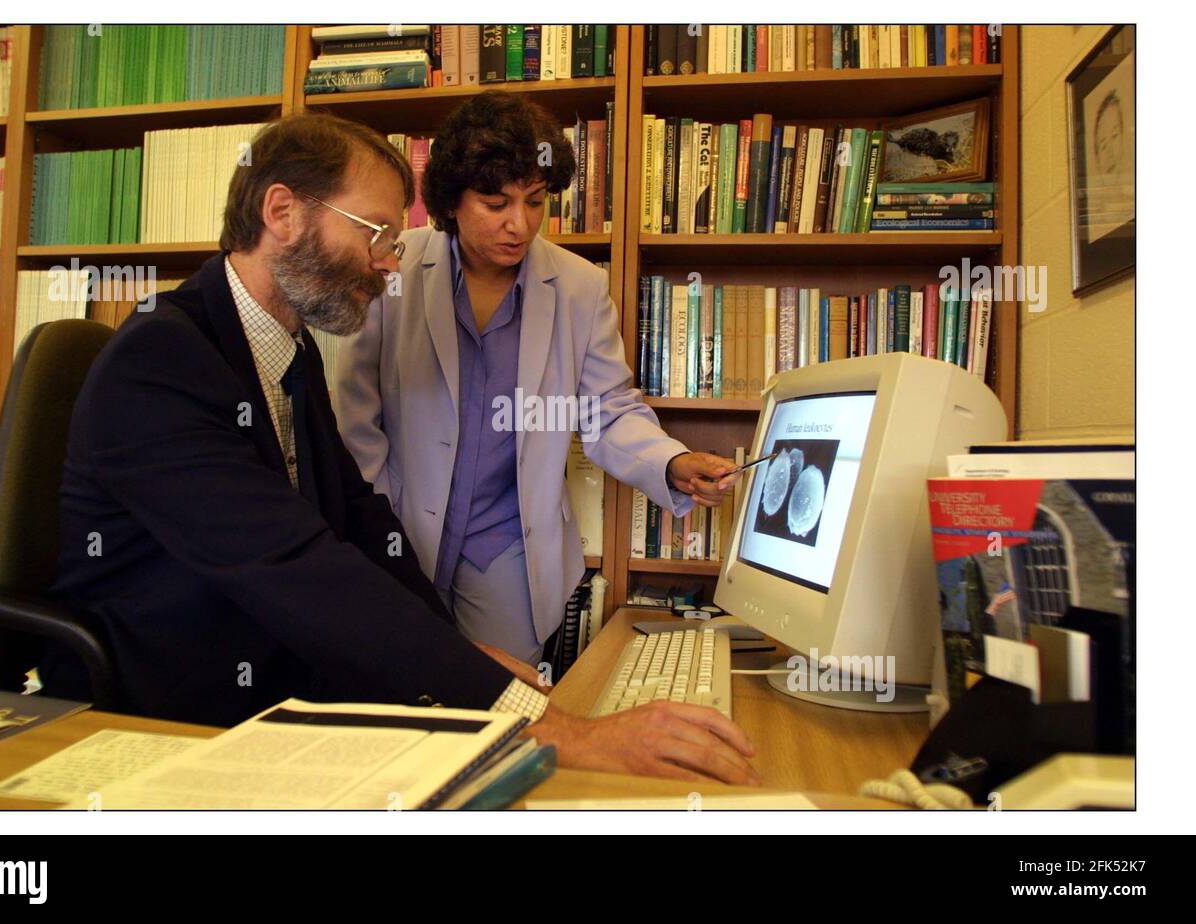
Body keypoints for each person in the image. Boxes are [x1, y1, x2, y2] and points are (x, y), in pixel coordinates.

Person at [43, 112, 759, 786]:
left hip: (281, 672)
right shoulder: (163, 361)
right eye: (376, 234)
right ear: (282, 212)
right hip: (171, 713)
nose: (389, 265)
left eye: (393, 240)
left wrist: (460, 653)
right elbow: (301, 568)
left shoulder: (283, 347)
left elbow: (357, 522)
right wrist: (554, 727)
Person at [335, 92, 738, 663]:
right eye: (495, 203)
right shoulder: (394, 266)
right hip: (396, 529)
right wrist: (371, 522)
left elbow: (609, 410)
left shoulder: (578, 286)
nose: (518, 224)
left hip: (508, 549)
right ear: (452, 199)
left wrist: (671, 462)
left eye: (534, 201)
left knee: (499, 714)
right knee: (400, 700)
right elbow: (357, 419)